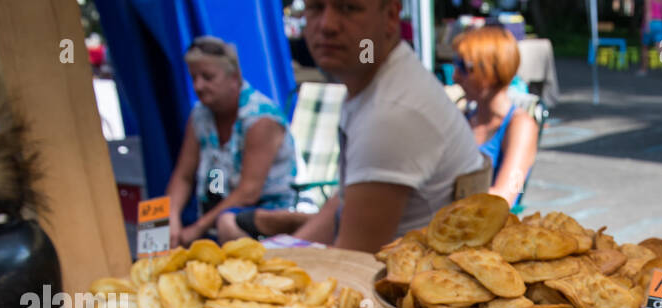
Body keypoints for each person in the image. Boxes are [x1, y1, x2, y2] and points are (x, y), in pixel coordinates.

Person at [221, 0, 484, 251]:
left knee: (229, 229)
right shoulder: (375, 80)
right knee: (232, 223)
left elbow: (350, 261)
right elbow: (346, 200)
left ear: (391, 16)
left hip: (388, 286)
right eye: (315, 7)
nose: (327, 25)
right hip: (384, 264)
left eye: (349, 8)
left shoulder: (390, 112)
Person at [165, 36, 296, 245]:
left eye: (207, 77)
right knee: (155, 225)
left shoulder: (261, 117)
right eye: (193, 77)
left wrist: (197, 228)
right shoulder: (200, 115)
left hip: (262, 217)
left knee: (227, 225)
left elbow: (248, 192)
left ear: (234, 78)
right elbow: (183, 176)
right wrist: (170, 217)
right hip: (212, 214)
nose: (198, 86)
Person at [453, 25, 538, 209]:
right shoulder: (464, 117)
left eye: (463, 68)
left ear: (491, 71)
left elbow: (506, 196)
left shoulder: (521, 126)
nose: (455, 76)